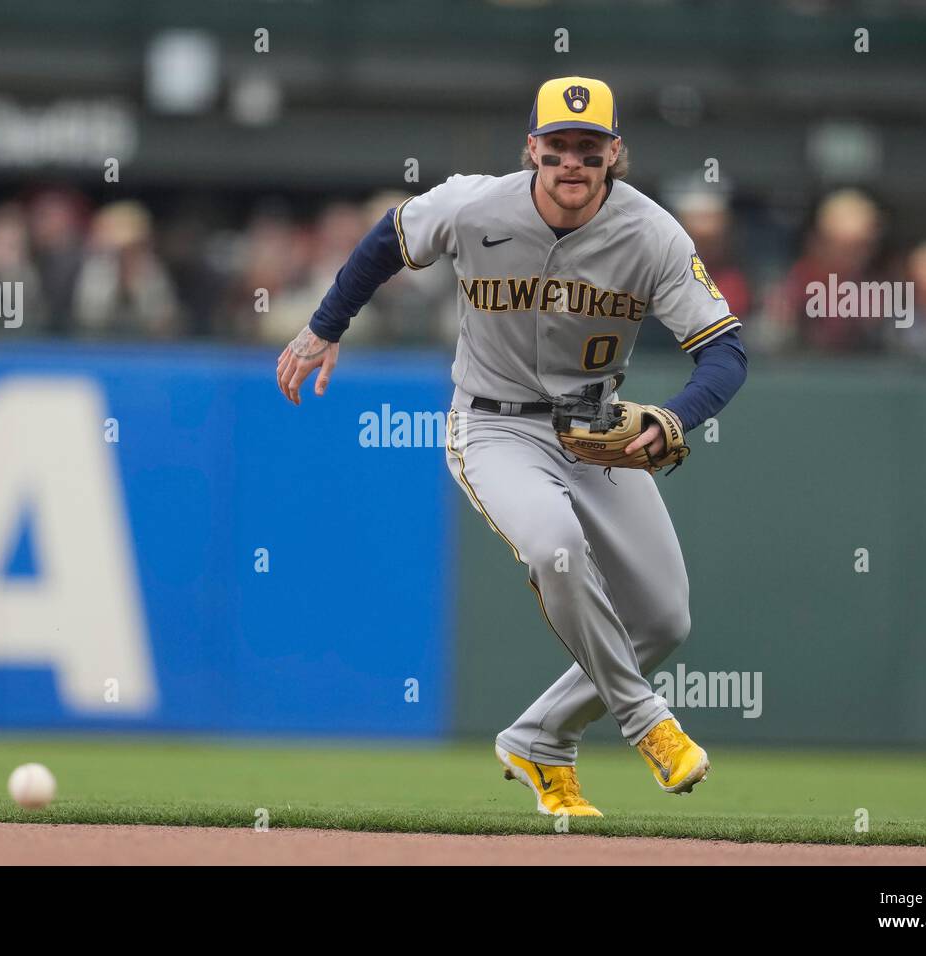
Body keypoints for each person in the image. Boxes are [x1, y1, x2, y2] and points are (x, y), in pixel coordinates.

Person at [276, 76, 748, 816]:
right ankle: (644, 719)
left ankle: (540, 739)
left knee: (663, 621)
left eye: (588, 149)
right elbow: (387, 239)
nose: (571, 162)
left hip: (596, 432)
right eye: (557, 145)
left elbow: (725, 353)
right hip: (493, 425)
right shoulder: (474, 203)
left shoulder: (652, 233)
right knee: (554, 547)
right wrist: (325, 325)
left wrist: (672, 420)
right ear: (531, 149)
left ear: (615, 154)